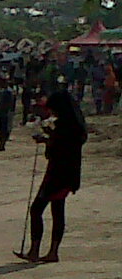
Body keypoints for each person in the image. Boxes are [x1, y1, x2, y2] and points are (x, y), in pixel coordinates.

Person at [18, 88, 87, 263]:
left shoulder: (65, 125)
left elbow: (58, 149)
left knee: (36, 210)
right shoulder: (76, 125)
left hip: (57, 174)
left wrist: (46, 140)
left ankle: (35, 250)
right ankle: (52, 252)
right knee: (57, 211)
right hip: (69, 175)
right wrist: (49, 137)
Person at [0, 76, 17, 151]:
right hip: (4, 112)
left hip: (4, 112)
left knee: (3, 129)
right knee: (2, 129)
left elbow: (4, 104)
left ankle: (2, 144)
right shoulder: (6, 91)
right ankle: (1, 144)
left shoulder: (7, 92)